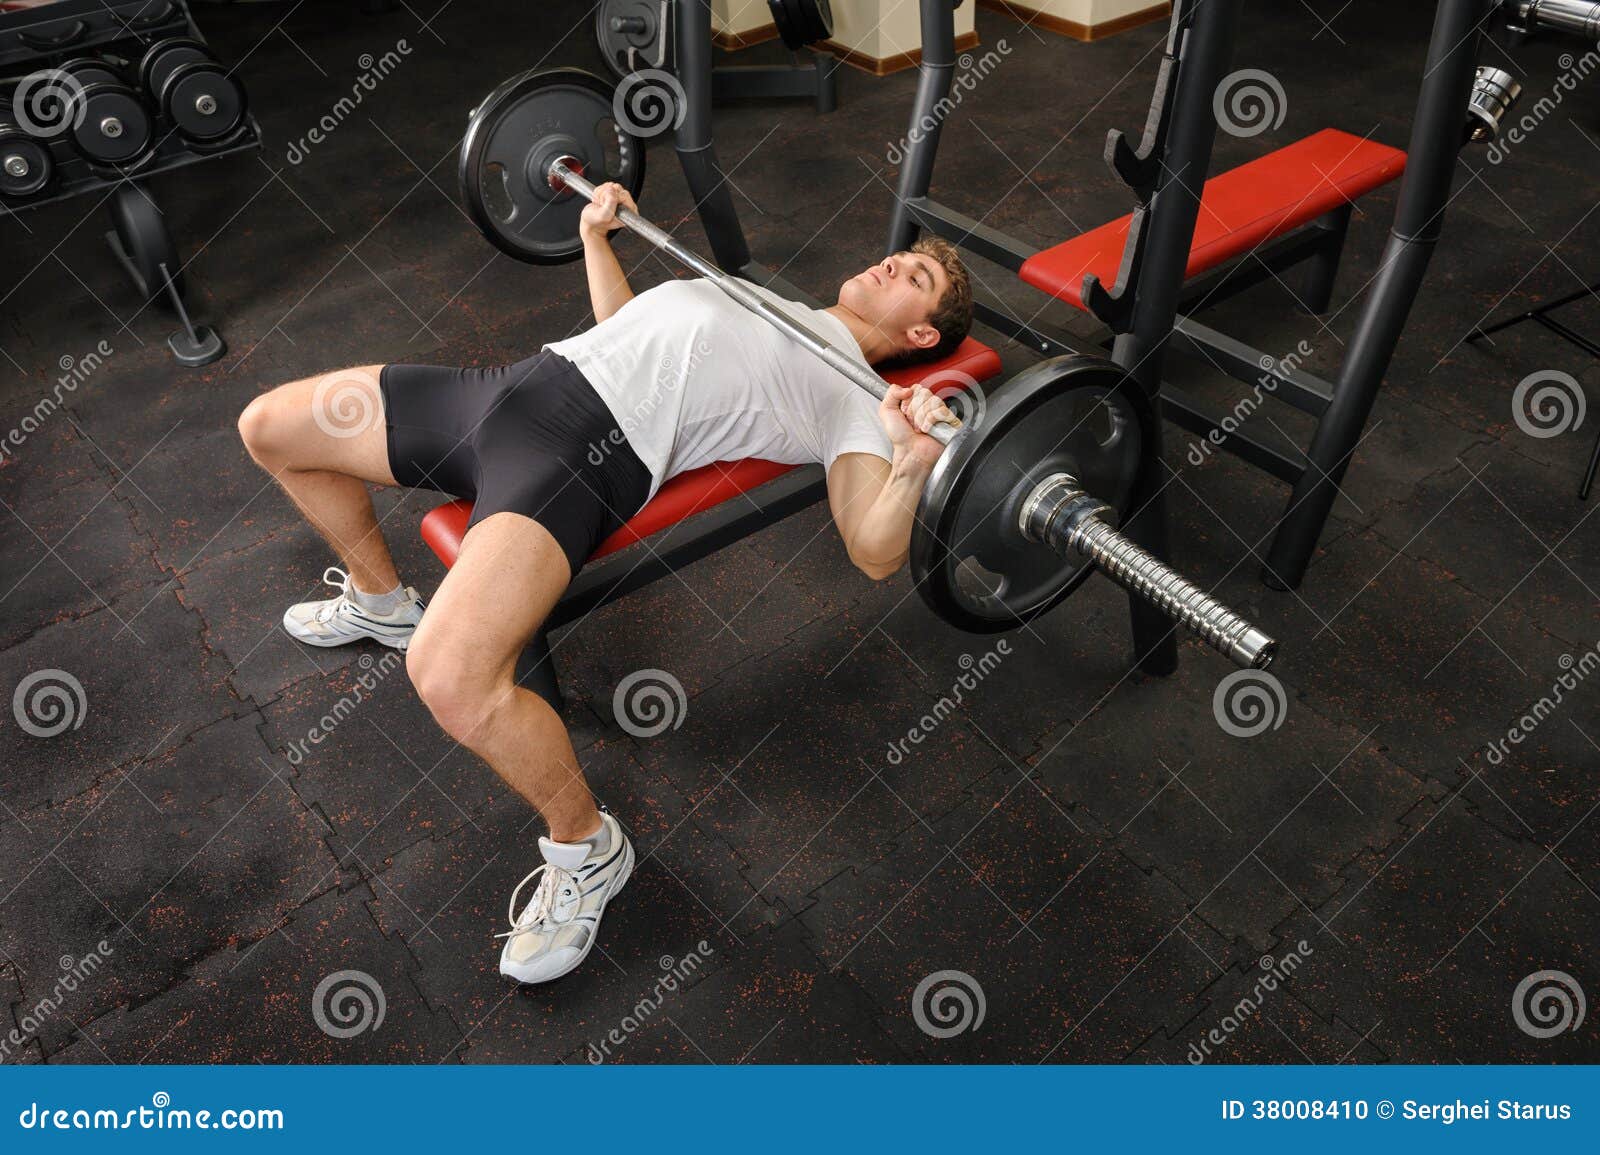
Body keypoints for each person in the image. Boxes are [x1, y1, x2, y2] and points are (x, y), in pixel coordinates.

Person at [236, 183, 974, 984]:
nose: (894, 258)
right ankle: (383, 603)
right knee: (269, 427)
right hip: (509, 390)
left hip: (574, 457)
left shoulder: (855, 397)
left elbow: (873, 550)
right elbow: (627, 332)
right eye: (903, 256)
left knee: (450, 678)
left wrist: (912, 464)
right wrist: (596, 239)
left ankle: (589, 848)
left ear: (922, 330)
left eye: (916, 277)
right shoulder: (765, 296)